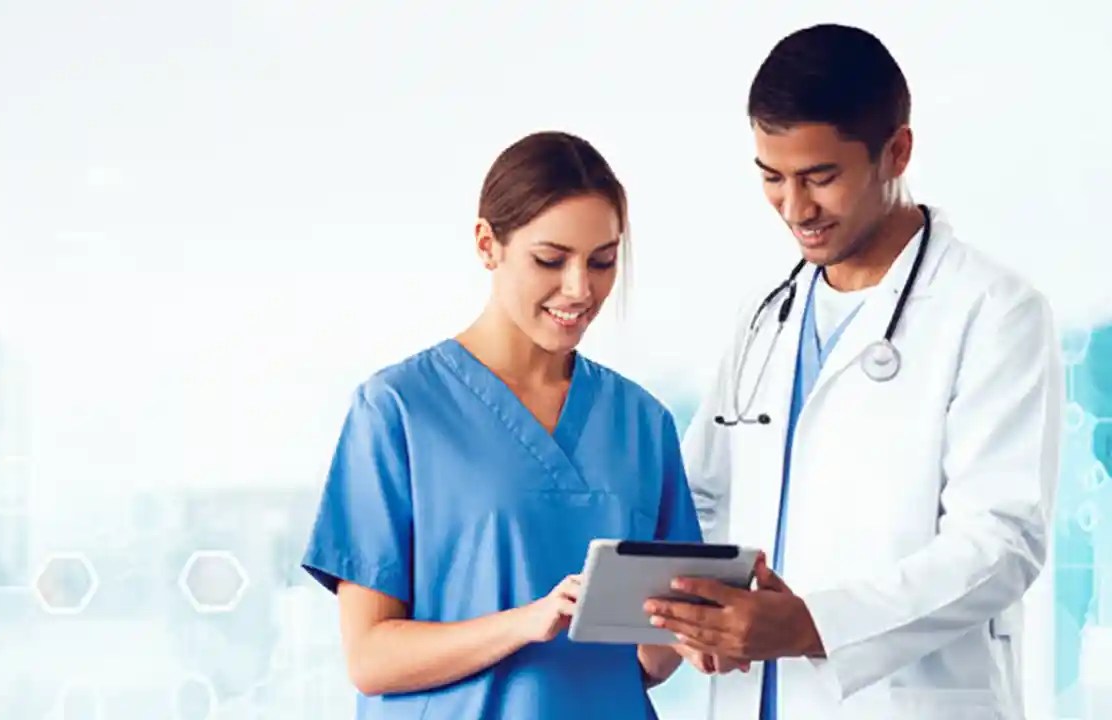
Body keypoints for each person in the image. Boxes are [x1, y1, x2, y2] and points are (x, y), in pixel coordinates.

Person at [642, 23, 1063, 719]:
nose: (795, 208)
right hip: (753, 698)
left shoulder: (992, 310)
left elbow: (1000, 541)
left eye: (821, 177)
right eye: (772, 178)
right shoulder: (764, 317)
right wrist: (685, 610)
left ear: (895, 152)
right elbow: (703, 501)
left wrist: (814, 624)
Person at [301, 130, 704, 719]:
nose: (580, 289)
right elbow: (370, 656)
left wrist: (697, 626)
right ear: (488, 244)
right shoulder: (399, 410)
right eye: (551, 259)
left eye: (602, 261)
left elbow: (649, 661)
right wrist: (528, 622)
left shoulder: (641, 423)